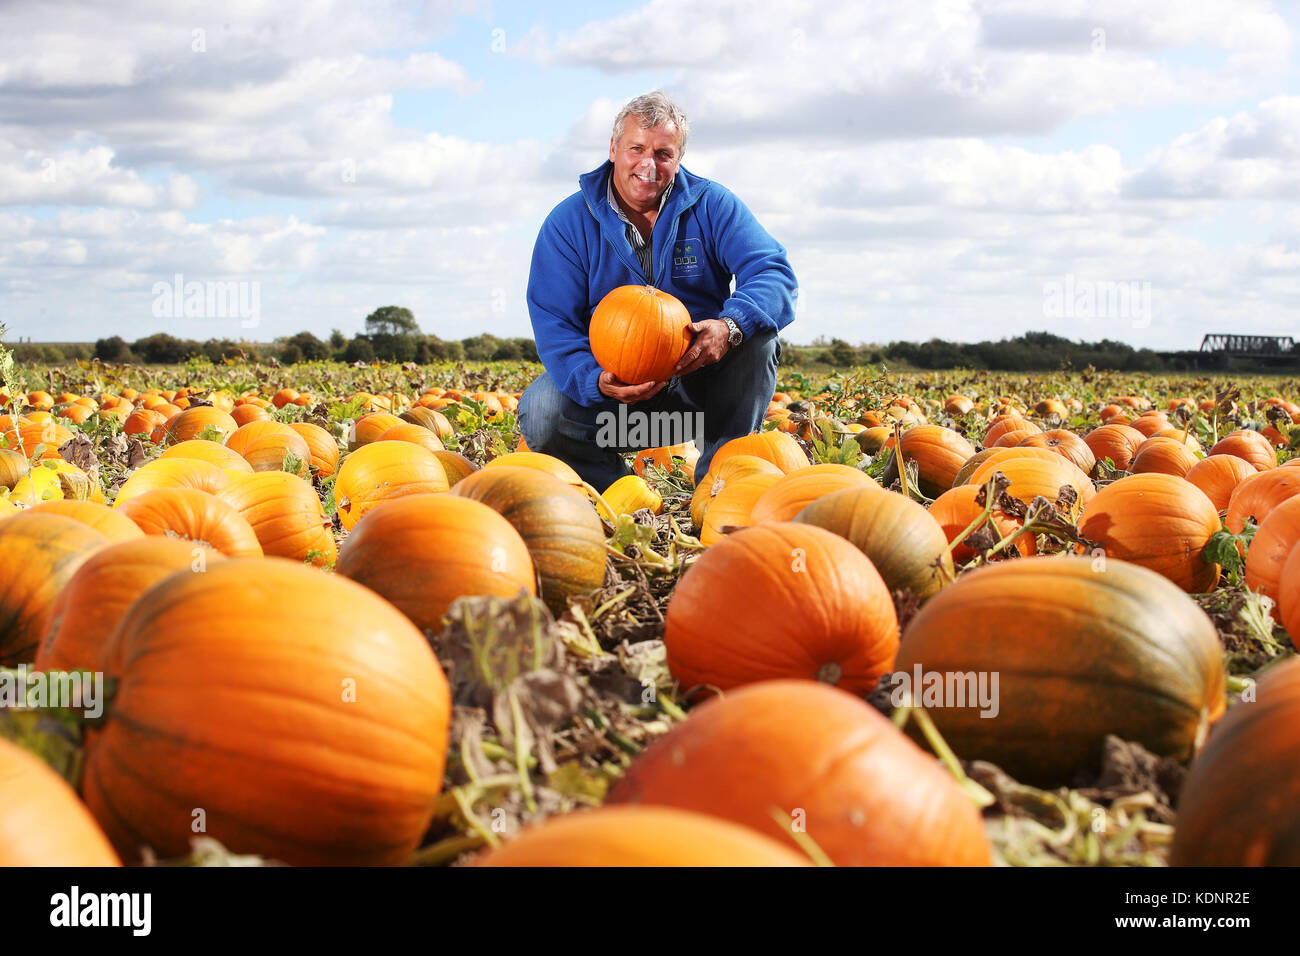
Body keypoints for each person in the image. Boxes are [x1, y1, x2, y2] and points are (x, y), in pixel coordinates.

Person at [518, 91, 798, 490]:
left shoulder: (713, 205)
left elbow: (773, 271)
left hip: (700, 397)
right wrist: (595, 380)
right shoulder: (568, 223)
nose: (649, 165)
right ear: (614, 149)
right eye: (636, 148)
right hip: (618, 412)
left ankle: (718, 487)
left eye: (664, 153)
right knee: (543, 410)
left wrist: (729, 326)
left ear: (678, 158)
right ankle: (620, 492)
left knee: (757, 340)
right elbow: (554, 320)